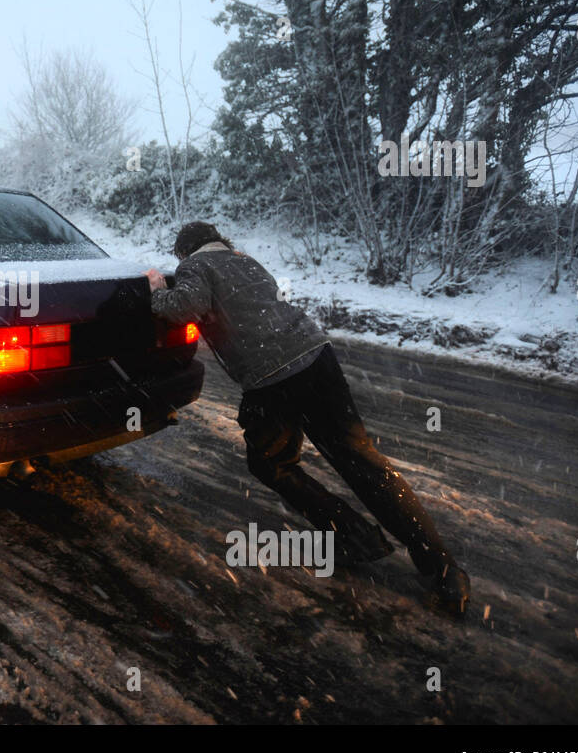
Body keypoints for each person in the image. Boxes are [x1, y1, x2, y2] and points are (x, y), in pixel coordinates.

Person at [147, 220, 471, 615]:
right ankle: (445, 571)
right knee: (364, 465)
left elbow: (185, 308)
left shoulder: (194, 267)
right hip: (317, 358)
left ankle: (353, 535)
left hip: (271, 378)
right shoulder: (244, 260)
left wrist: (158, 291)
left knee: (269, 462)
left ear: (185, 251)